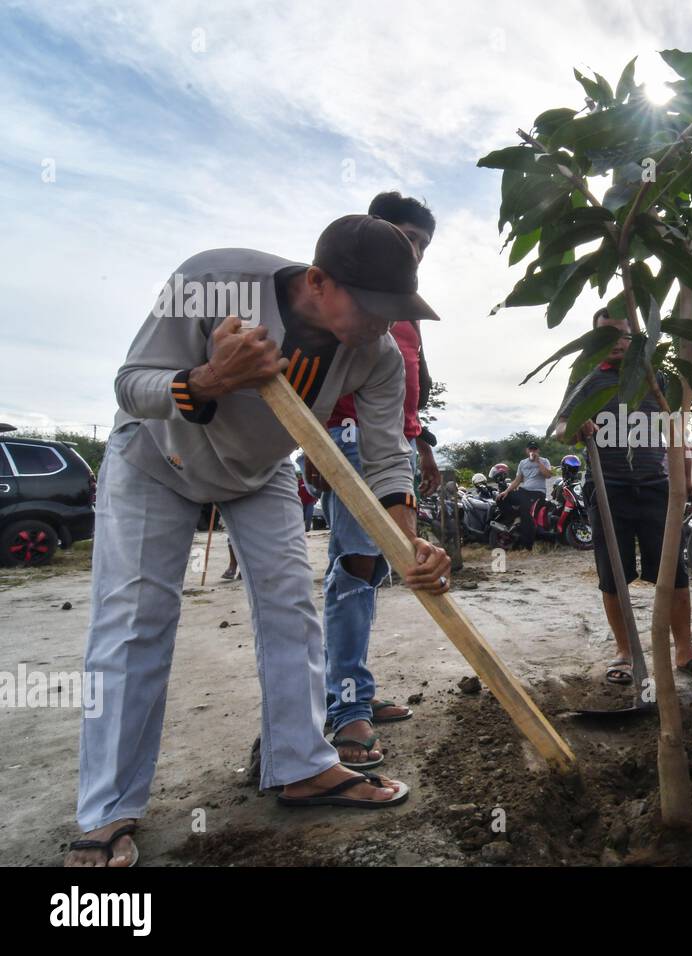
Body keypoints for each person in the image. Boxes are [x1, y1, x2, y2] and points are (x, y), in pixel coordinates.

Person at [64, 214, 451, 868]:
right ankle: (107, 811)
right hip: (156, 452)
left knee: (290, 608)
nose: (385, 324)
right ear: (319, 281)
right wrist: (209, 379)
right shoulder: (214, 279)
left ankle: (302, 764)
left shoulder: (377, 354)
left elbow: (386, 458)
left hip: (261, 466)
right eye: (374, 307)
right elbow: (131, 382)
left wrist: (405, 544)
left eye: (396, 310)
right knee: (136, 619)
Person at [302, 192, 442, 771]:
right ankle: (346, 710)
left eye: (422, 246)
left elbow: (412, 392)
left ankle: (352, 688)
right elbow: (319, 380)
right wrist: (320, 444)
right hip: (352, 440)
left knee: (372, 567)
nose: (414, 251)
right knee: (358, 565)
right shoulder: (345, 299)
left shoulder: (401, 315)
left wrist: (423, 447)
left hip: (392, 444)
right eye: (406, 237)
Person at [553, 307, 692, 685]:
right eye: (606, 336)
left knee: (673, 574)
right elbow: (559, 426)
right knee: (614, 576)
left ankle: (685, 652)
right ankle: (626, 652)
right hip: (608, 488)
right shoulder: (585, 379)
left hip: (656, 487)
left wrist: (691, 475)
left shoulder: (654, 377)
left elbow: (675, 428)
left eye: (623, 335)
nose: (616, 343)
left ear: (635, 337)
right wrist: (573, 425)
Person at [497, 441, 551, 550]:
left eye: (535, 449)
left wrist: (538, 461)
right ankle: (516, 517)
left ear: (538, 450)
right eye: (530, 449)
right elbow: (517, 480)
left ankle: (527, 546)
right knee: (501, 499)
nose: (532, 451)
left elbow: (548, 475)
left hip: (537, 492)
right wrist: (506, 491)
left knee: (527, 515)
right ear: (527, 451)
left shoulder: (544, 461)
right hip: (524, 491)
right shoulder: (522, 463)